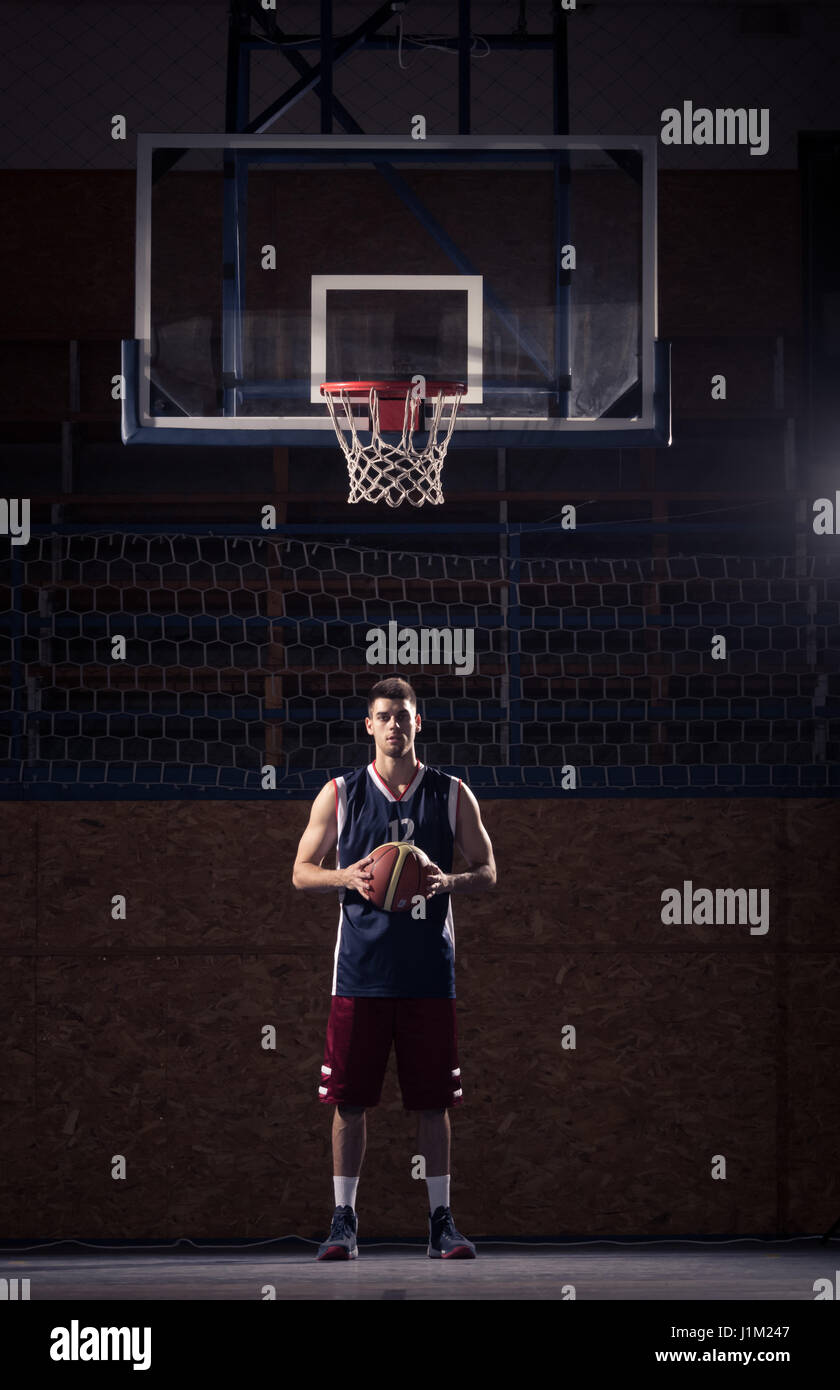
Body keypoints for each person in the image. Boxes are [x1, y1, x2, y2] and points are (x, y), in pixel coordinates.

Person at [292, 676, 496, 1259]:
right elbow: (302, 869)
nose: (394, 725)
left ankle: (440, 1223)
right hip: (359, 970)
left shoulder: (451, 792)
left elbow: (488, 869)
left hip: (429, 972)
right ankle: (344, 1221)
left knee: (434, 1103)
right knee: (349, 1102)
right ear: (369, 725)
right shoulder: (341, 792)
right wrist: (346, 875)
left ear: (418, 723)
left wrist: (448, 879)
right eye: (384, 716)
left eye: (403, 716)